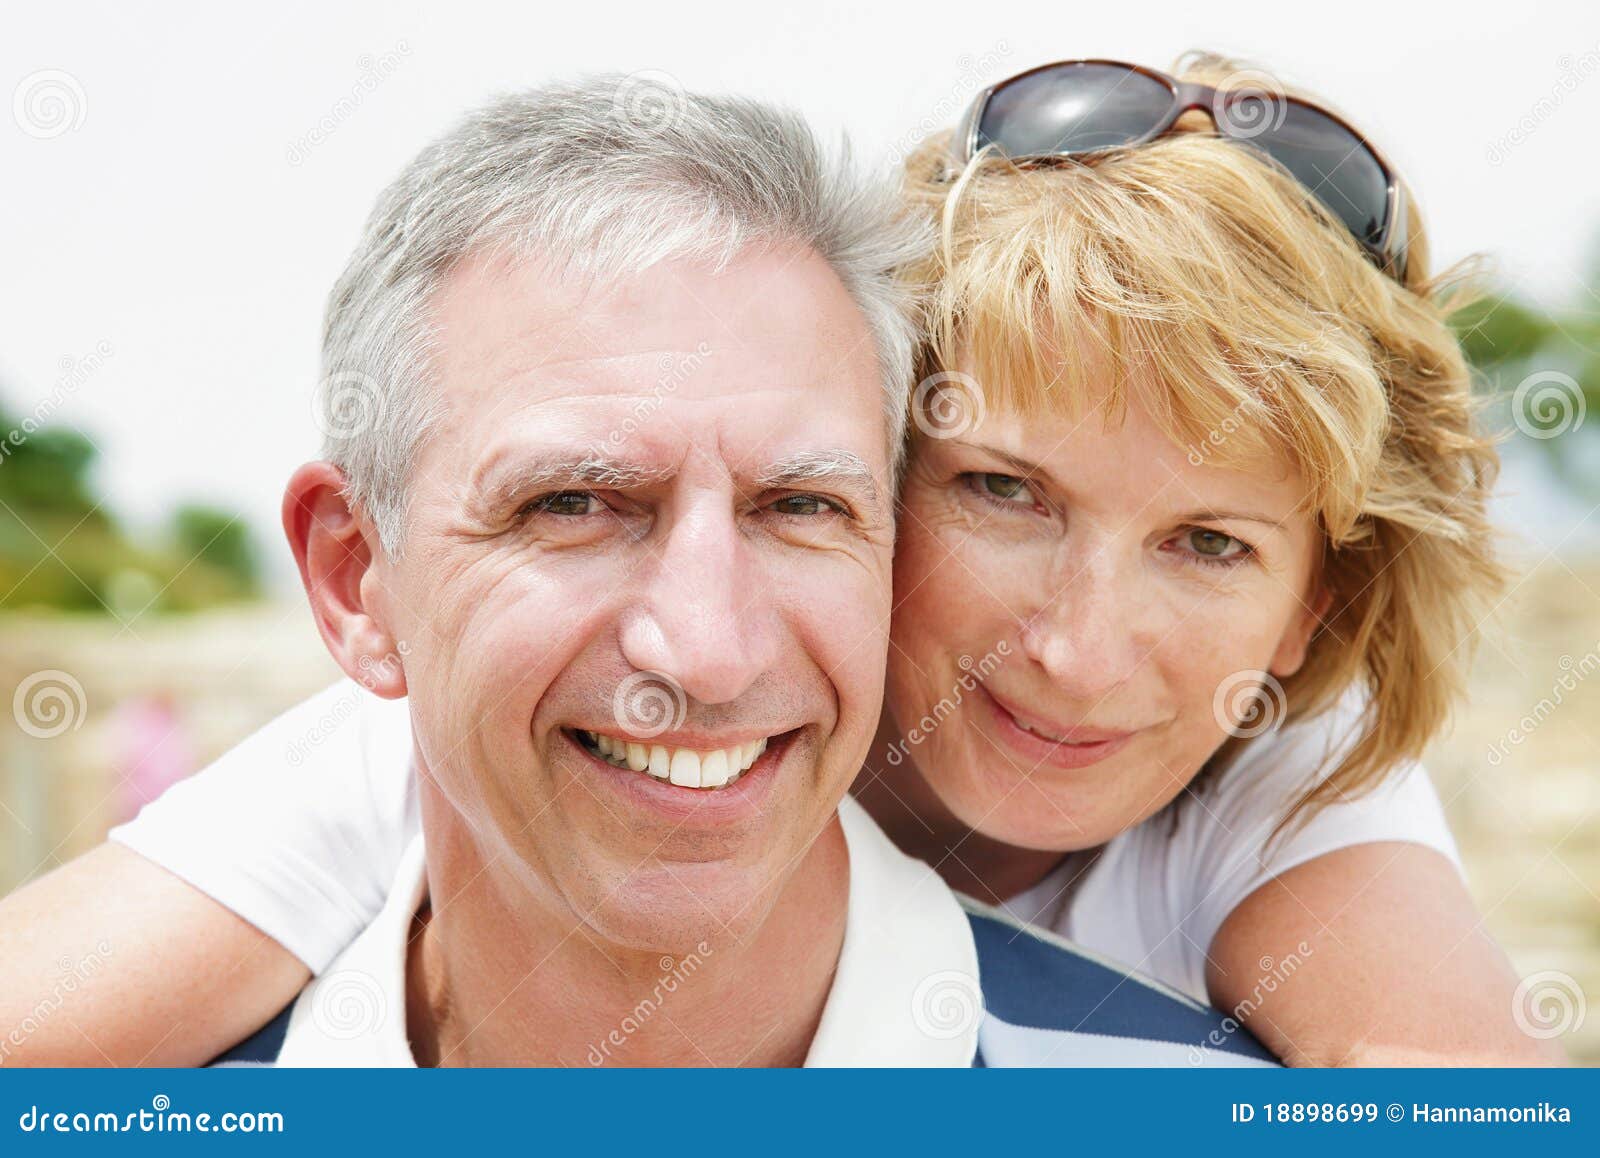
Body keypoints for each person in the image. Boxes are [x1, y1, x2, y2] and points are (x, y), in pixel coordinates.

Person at [1, 55, 1551, 1066]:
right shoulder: (461, 729)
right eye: (1004, 492)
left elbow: (1447, 1094)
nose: (1082, 648)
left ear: (1310, 612)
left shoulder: (1287, 779)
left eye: (1210, 542)